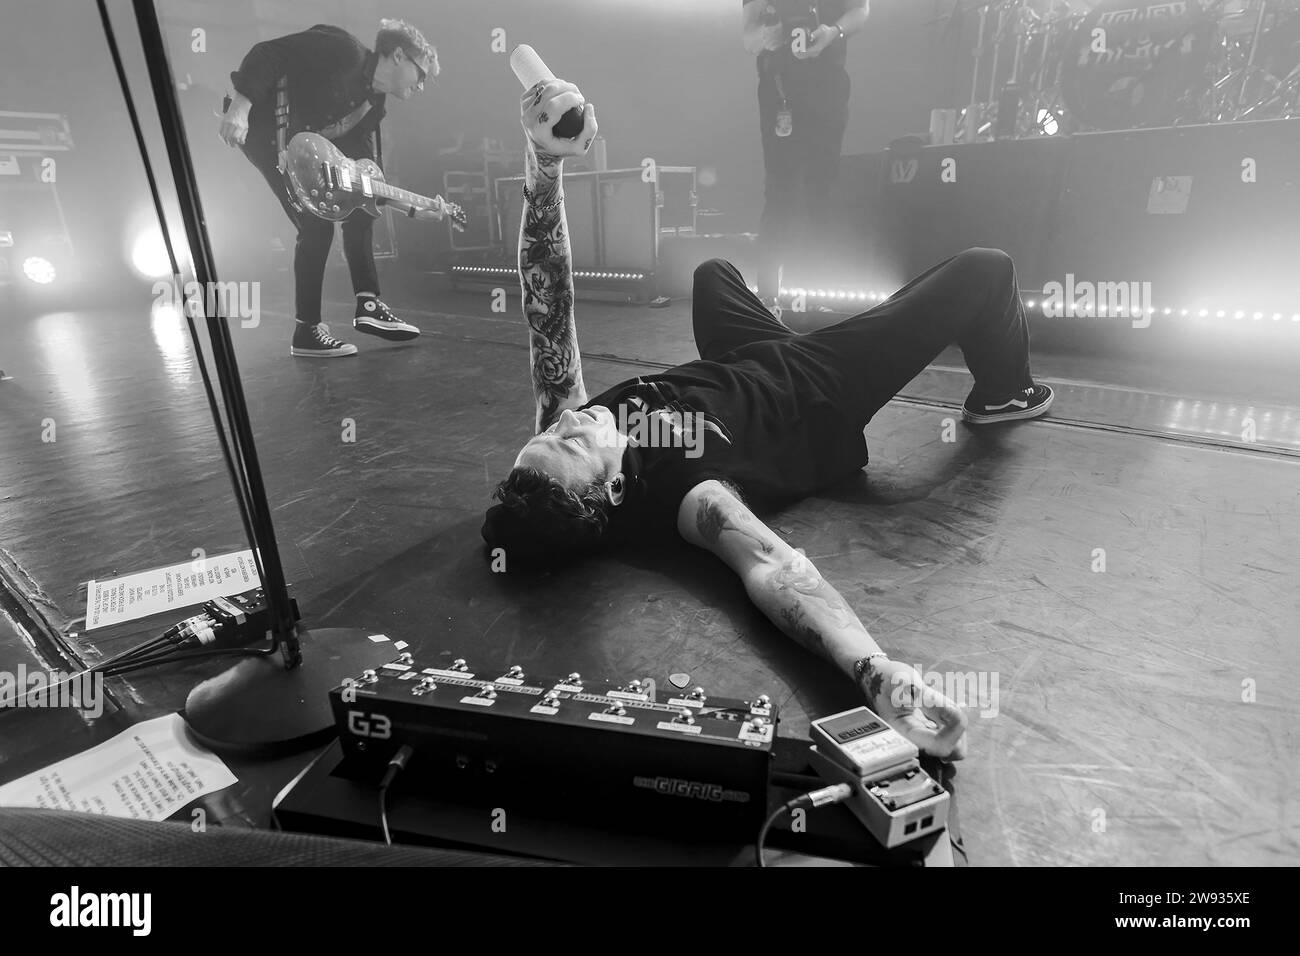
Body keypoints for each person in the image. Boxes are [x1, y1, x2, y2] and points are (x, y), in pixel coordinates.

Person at [482, 78, 1056, 762]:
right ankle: (1004, 392)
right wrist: (875, 671)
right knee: (986, 269)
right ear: (606, 490)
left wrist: (542, 160)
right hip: (820, 383)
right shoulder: (688, 494)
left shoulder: (570, 428)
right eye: (572, 443)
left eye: (548, 432)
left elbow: (546, 292)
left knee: (713, 273)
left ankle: (763, 332)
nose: (567, 425)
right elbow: (774, 570)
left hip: (747, 358)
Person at [219, 19, 441, 357]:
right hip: (268, 134)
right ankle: (306, 331)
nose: (422, 86)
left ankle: (368, 303)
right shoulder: (341, 50)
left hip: (306, 148)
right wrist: (240, 108)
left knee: (361, 201)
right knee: (316, 225)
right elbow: (267, 54)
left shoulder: (375, 104)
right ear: (398, 55)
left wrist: (411, 207)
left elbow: (365, 175)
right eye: (421, 74)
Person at [742, 0, 871, 316]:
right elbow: (749, 37)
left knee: (820, 191)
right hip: (779, 89)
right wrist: (766, 37)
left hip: (827, 87)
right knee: (778, 191)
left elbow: (861, 10)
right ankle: (768, 296)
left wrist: (833, 32)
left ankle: (813, 295)